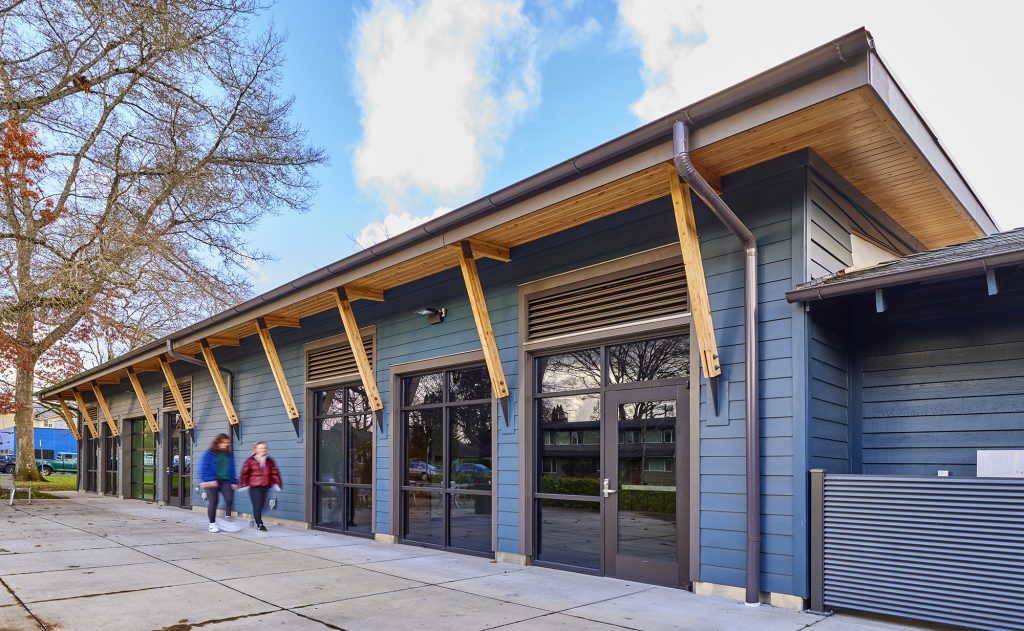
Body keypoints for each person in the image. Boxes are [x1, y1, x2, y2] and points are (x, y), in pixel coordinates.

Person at [238, 441, 282, 532]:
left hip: (265, 486)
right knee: (257, 504)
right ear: (256, 450)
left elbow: (275, 473)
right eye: (261, 448)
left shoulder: (269, 460)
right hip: (254, 486)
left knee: (263, 505)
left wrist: (277, 483)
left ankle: (254, 516)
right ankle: (260, 524)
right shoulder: (250, 460)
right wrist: (243, 484)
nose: (263, 449)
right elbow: (244, 473)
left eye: (264, 448)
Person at [199, 433, 239, 533]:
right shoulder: (209, 454)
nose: (226, 445)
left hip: (225, 480)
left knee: (229, 499)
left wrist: (234, 481)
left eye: (227, 443)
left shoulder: (229, 455)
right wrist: (208, 480)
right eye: (224, 443)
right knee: (214, 502)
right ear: (218, 443)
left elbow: (232, 469)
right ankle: (212, 524)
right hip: (212, 481)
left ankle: (227, 519)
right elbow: (203, 468)